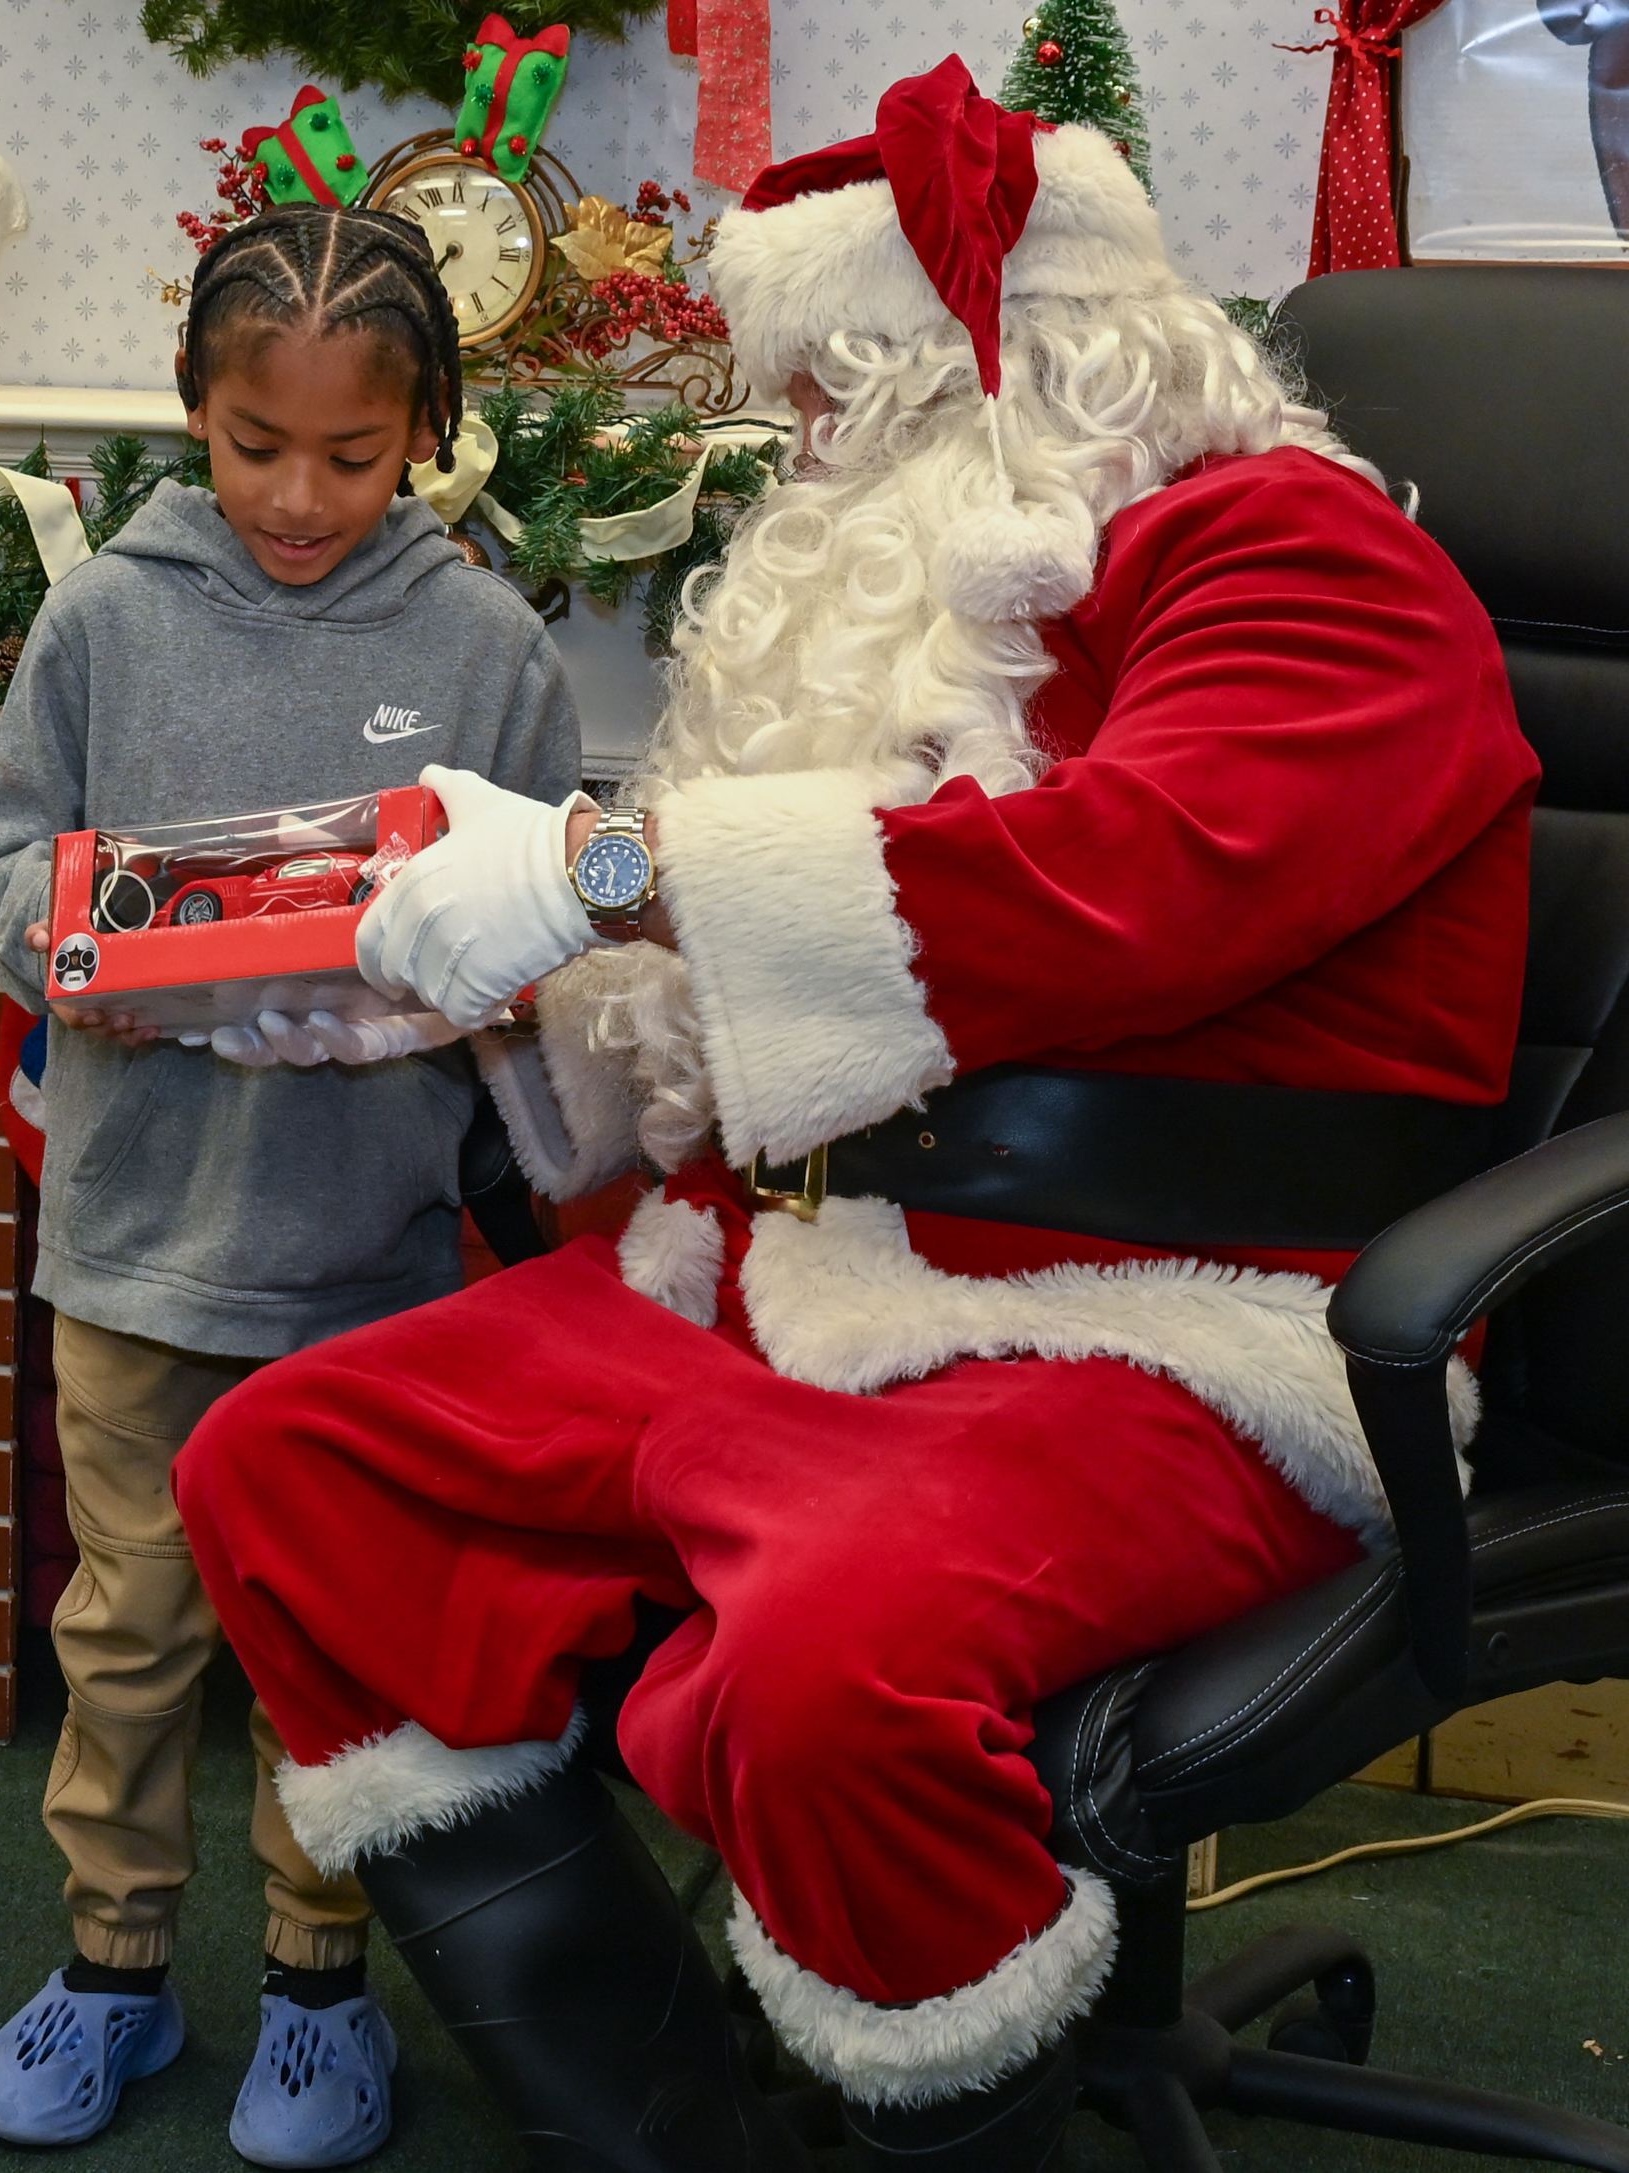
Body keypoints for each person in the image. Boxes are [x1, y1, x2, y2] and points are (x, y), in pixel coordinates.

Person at [174, 59, 1538, 2173]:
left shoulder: (1308, 571)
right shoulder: (956, 603)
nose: (794, 457)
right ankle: (680, 2126)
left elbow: (1116, 879)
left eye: (831, 401)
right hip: (808, 1275)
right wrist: (509, 968)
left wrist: (615, 867)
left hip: (1166, 1330)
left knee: (817, 1669)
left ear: (994, 376)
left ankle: (939, 2112)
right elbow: (829, 964)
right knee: (292, 1464)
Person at [0, 202, 583, 2166]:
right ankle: (116, 1967)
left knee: (334, 1647)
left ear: (432, 437)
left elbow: (561, 927)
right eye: (253, 442)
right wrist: (75, 957)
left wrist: (469, 985)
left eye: (352, 453)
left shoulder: (488, 648)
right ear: (192, 412)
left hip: (377, 1272)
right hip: (135, 1252)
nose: (298, 493)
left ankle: (324, 1987)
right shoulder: (107, 618)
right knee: (127, 1629)